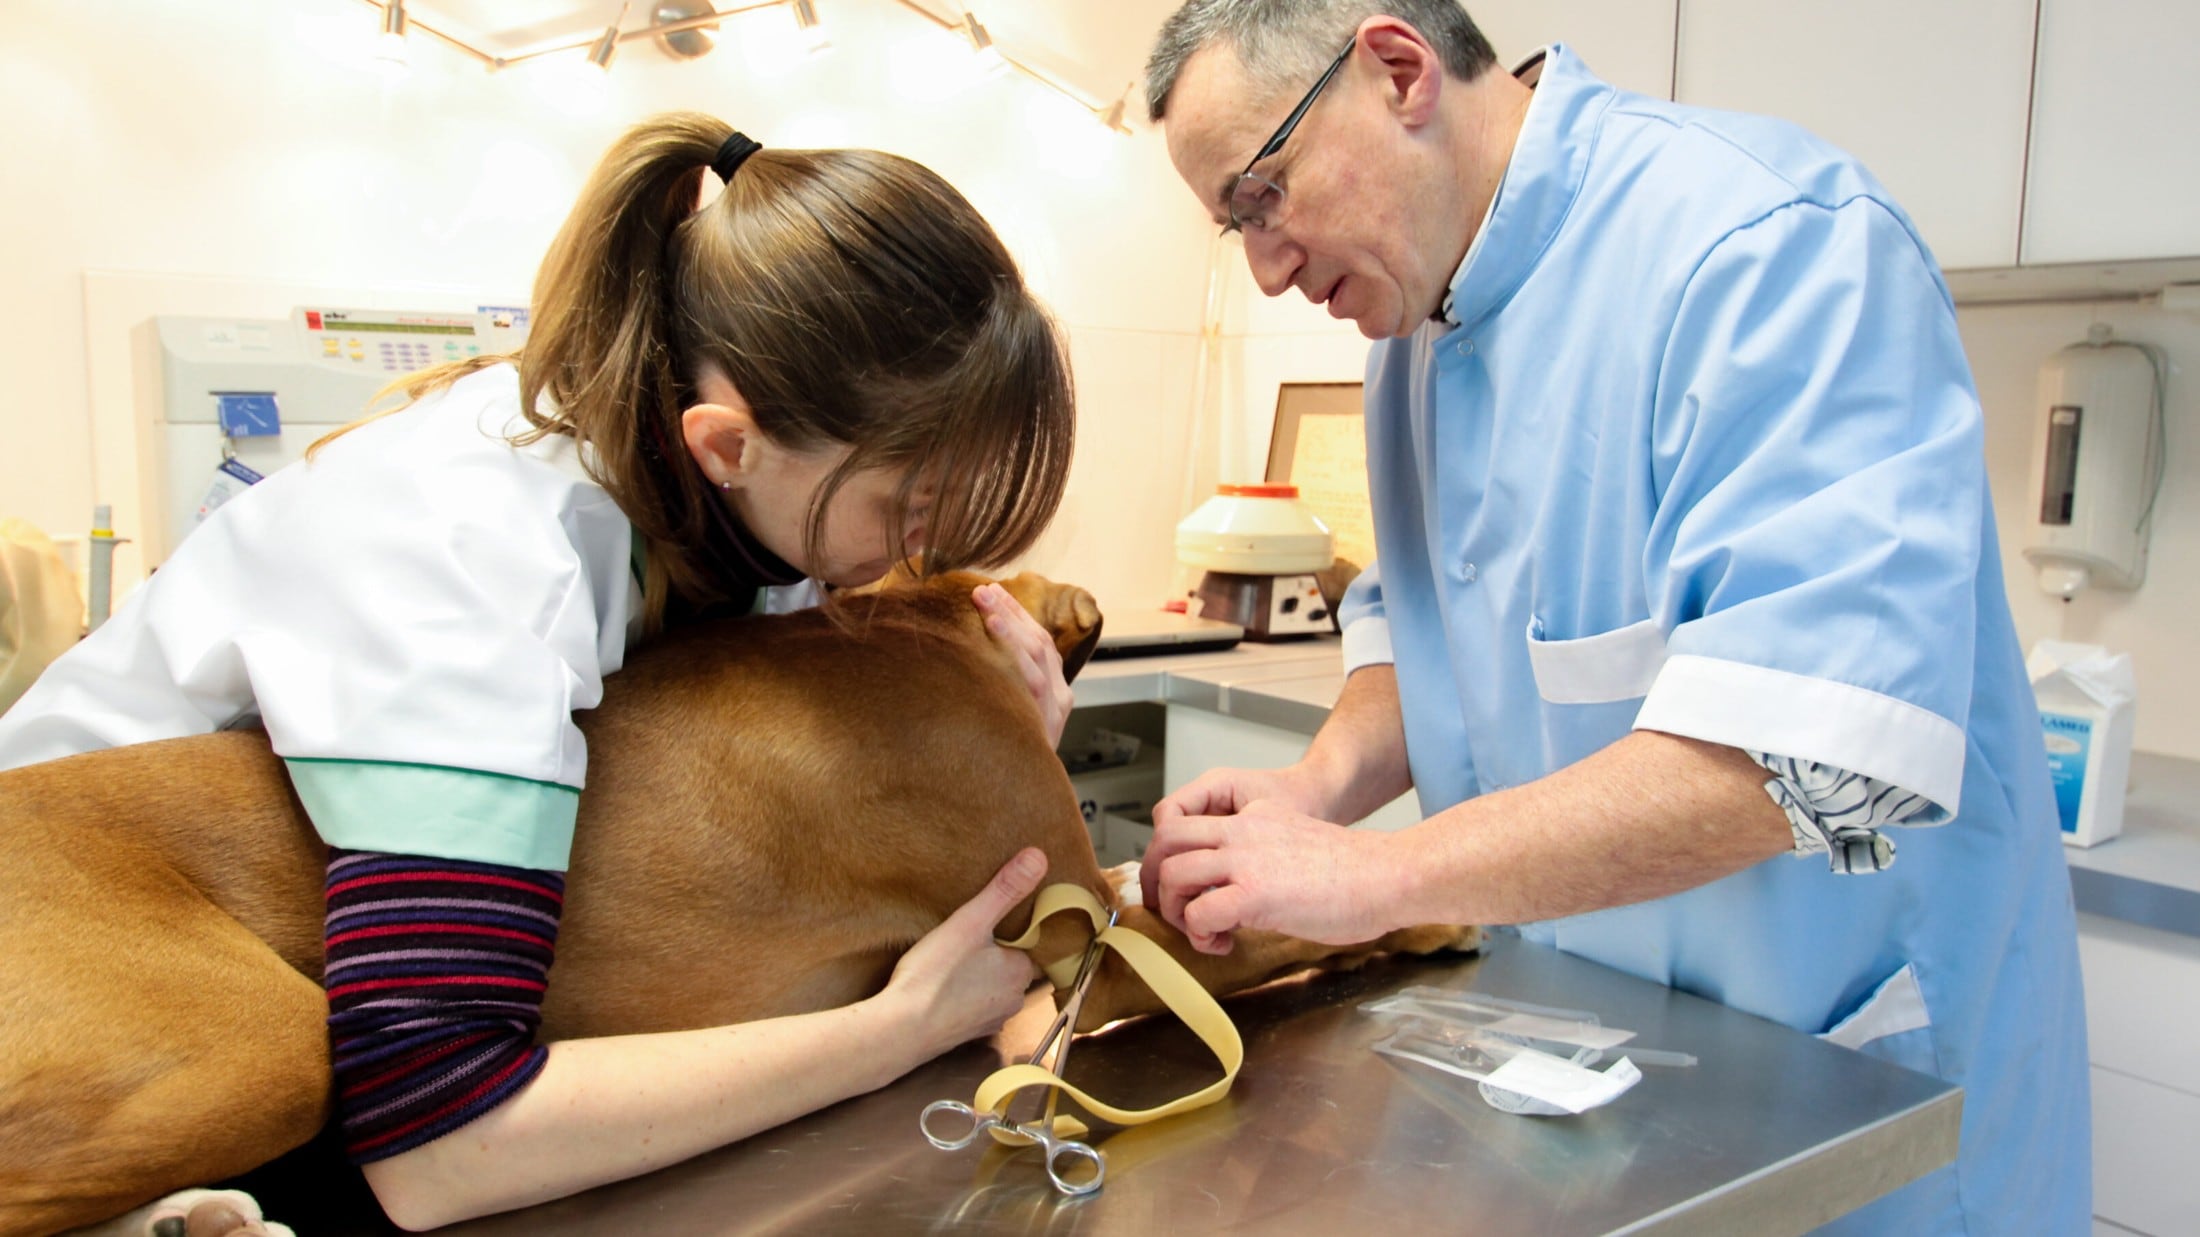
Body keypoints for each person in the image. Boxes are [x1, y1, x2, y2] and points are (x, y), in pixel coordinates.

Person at [0, 114, 1079, 1231]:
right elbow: (439, 1137)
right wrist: (895, 1032)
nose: (928, 553)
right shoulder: (470, 555)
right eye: (911, 506)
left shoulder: (731, 519)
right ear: (727, 443)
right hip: (70, 943)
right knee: (265, 1071)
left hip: (283, 1011)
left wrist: (1003, 745)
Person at [1137, 3, 2088, 1232]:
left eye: (1264, 196)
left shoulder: (1770, 250)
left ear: (1397, 70)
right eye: (1237, 227)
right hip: (1597, 1078)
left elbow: (1805, 761)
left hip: (1845, 1082)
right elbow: (1422, 626)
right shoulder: (1411, 336)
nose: (1266, 267)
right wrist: (1316, 788)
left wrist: (1373, 875)